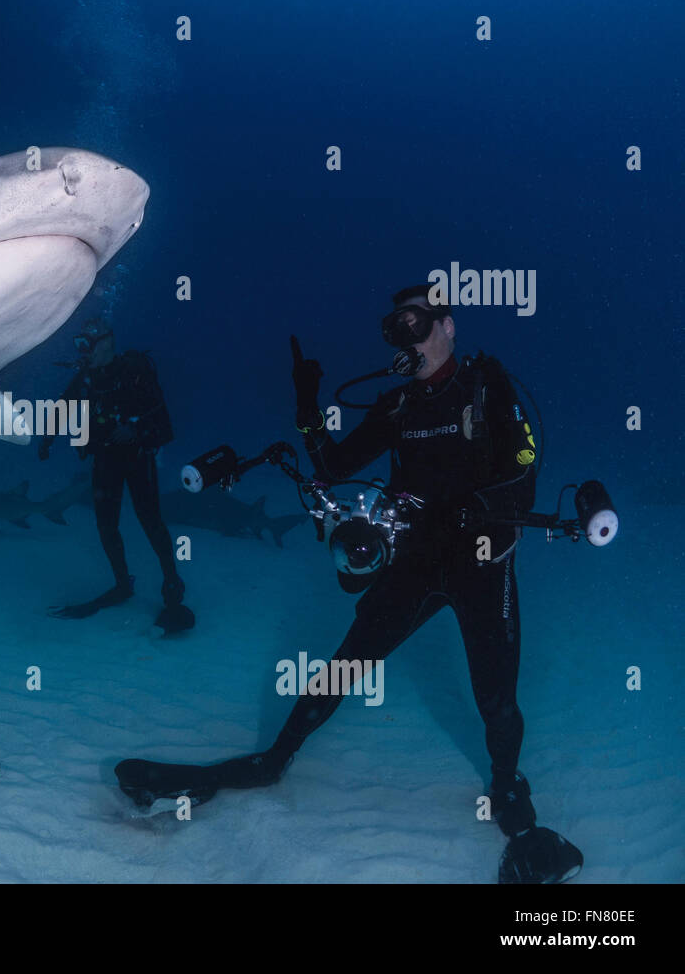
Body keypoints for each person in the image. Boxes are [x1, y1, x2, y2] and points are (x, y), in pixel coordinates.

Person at [117, 285, 573, 880]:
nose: (406, 340)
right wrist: (307, 405)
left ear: (449, 326)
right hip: (416, 559)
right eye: (394, 330)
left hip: (485, 561)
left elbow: (525, 476)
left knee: (495, 693)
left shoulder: (489, 389)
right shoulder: (398, 407)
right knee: (345, 663)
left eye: (415, 325)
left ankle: (508, 784)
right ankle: (274, 760)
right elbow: (333, 467)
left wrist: (478, 506)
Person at [39, 318, 194, 634]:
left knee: (151, 521)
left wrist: (135, 429)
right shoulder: (86, 378)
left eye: (86, 346)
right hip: (105, 459)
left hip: (138, 458)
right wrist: (47, 438)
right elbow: (62, 407)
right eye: (79, 346)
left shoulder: (135, 372)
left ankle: (171, 585)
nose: (82, 353)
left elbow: (165, 426)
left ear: (106, 345)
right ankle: (122, 584)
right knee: (105, 524)